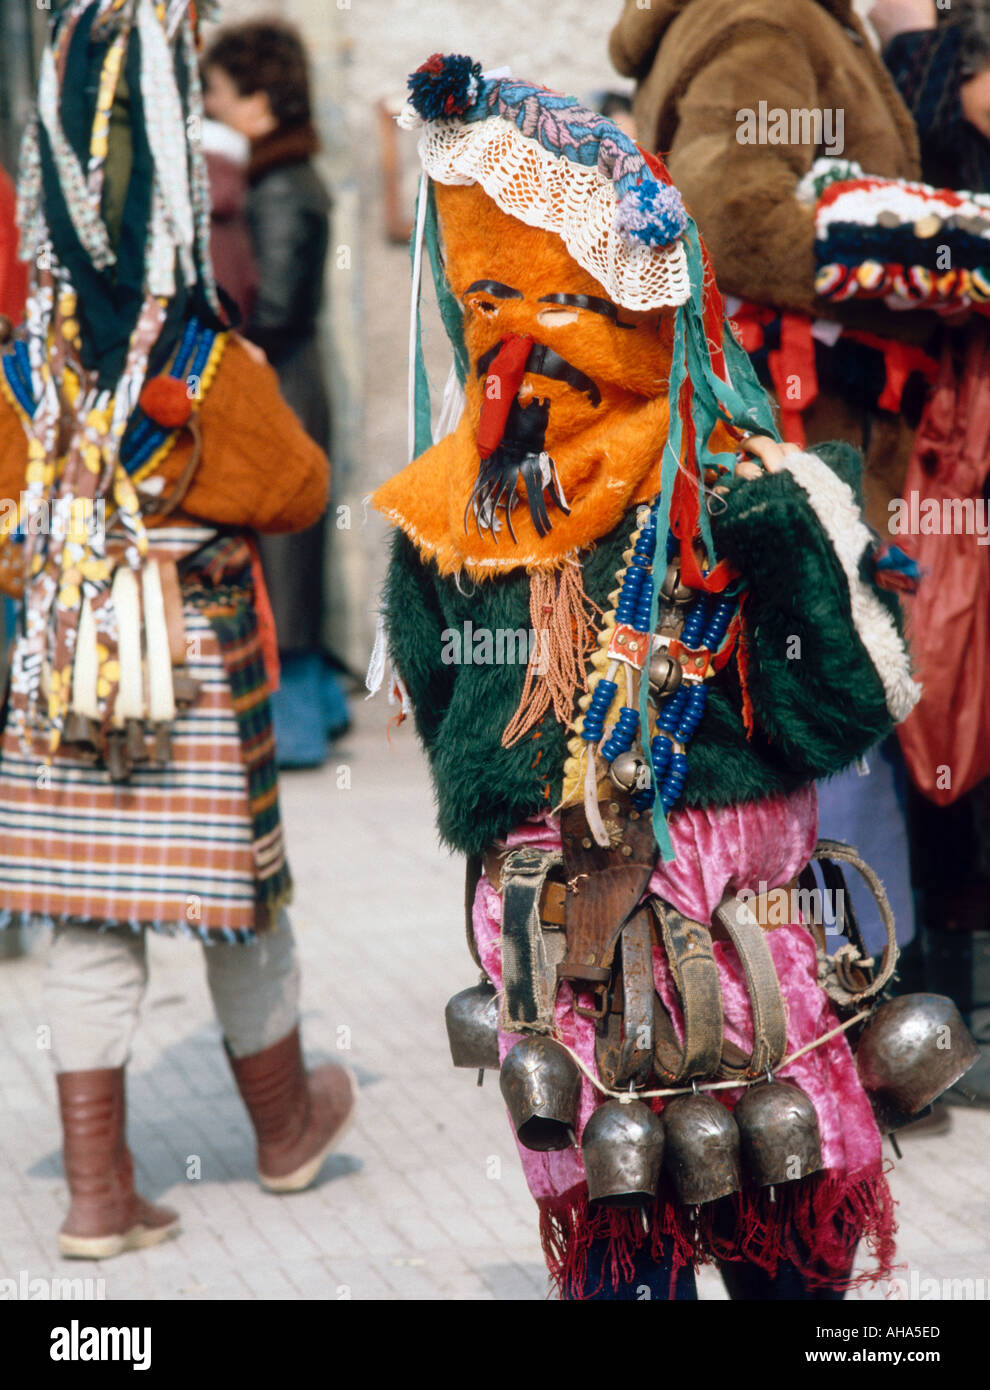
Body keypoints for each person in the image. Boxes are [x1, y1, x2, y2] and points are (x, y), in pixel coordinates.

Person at [369, 55, 969, 1301]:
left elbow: (444, 728)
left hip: (563, 926)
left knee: (626, 1224)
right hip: (737, 926)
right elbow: (843, 706)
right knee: (782, 1226)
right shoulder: (738, 476)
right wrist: (807, 526)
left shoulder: (447, 506)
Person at [0, 0, 355, 1260]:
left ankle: (99, 1194)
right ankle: (287, 1129)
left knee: (89, 918)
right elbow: (300, 489)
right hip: (192, 659)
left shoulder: (23, 367)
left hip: (64, 666)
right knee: (241, 903)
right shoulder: (201, 362)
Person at [608, 0, 942, 977]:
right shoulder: (763, 16)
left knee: (810, 720)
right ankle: (843, 997)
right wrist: (930, 254)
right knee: (830, 716)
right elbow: (733, 212)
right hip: (802, 453)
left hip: (806, 454)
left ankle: (828, 984)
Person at [203, 20, 348, 769]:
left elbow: (280, 307)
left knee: (286, 554)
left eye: (219, 93)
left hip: (282, 386)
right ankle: (314, 708)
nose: (209, 106)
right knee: (295, 553)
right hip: (291, 383)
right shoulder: (283, 177)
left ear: (259, 101)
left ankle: (292, 726)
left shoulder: (281, 187)